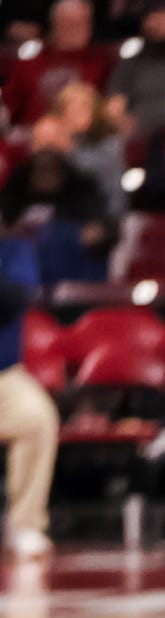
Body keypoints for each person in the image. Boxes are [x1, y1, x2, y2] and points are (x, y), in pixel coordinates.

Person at [0, 225, 57, 558]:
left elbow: (11, 300)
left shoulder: (14, 251)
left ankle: (25, 524)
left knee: (36, 416)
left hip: (4, 378)